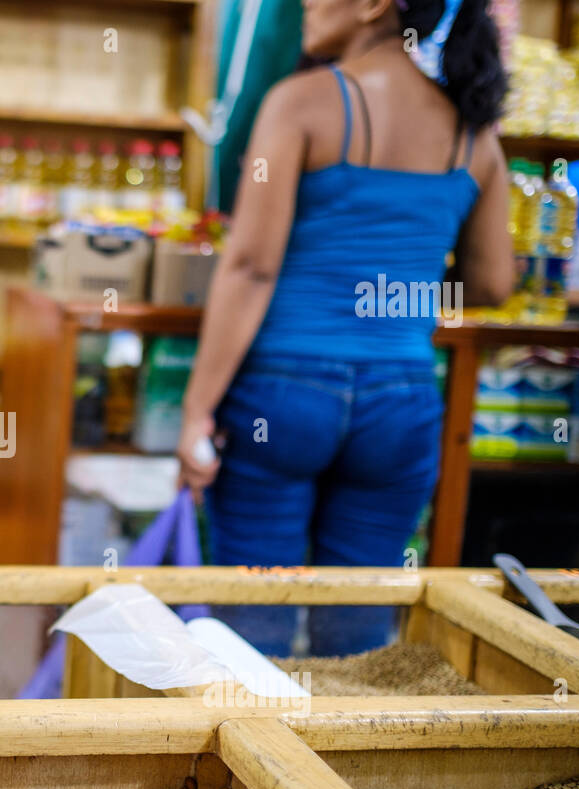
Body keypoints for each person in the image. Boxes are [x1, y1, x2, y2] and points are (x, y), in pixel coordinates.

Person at [176, 0, 514, 656]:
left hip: (283, 394)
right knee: (358, 630)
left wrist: (197, 412)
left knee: (255, 615)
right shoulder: (474, 133)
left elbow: (249, 265)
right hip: (401, 402)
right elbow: (494, 283)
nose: (304, 4)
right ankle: (347, 756)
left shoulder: (302, 102)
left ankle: (245, 751)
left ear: (373, 5)